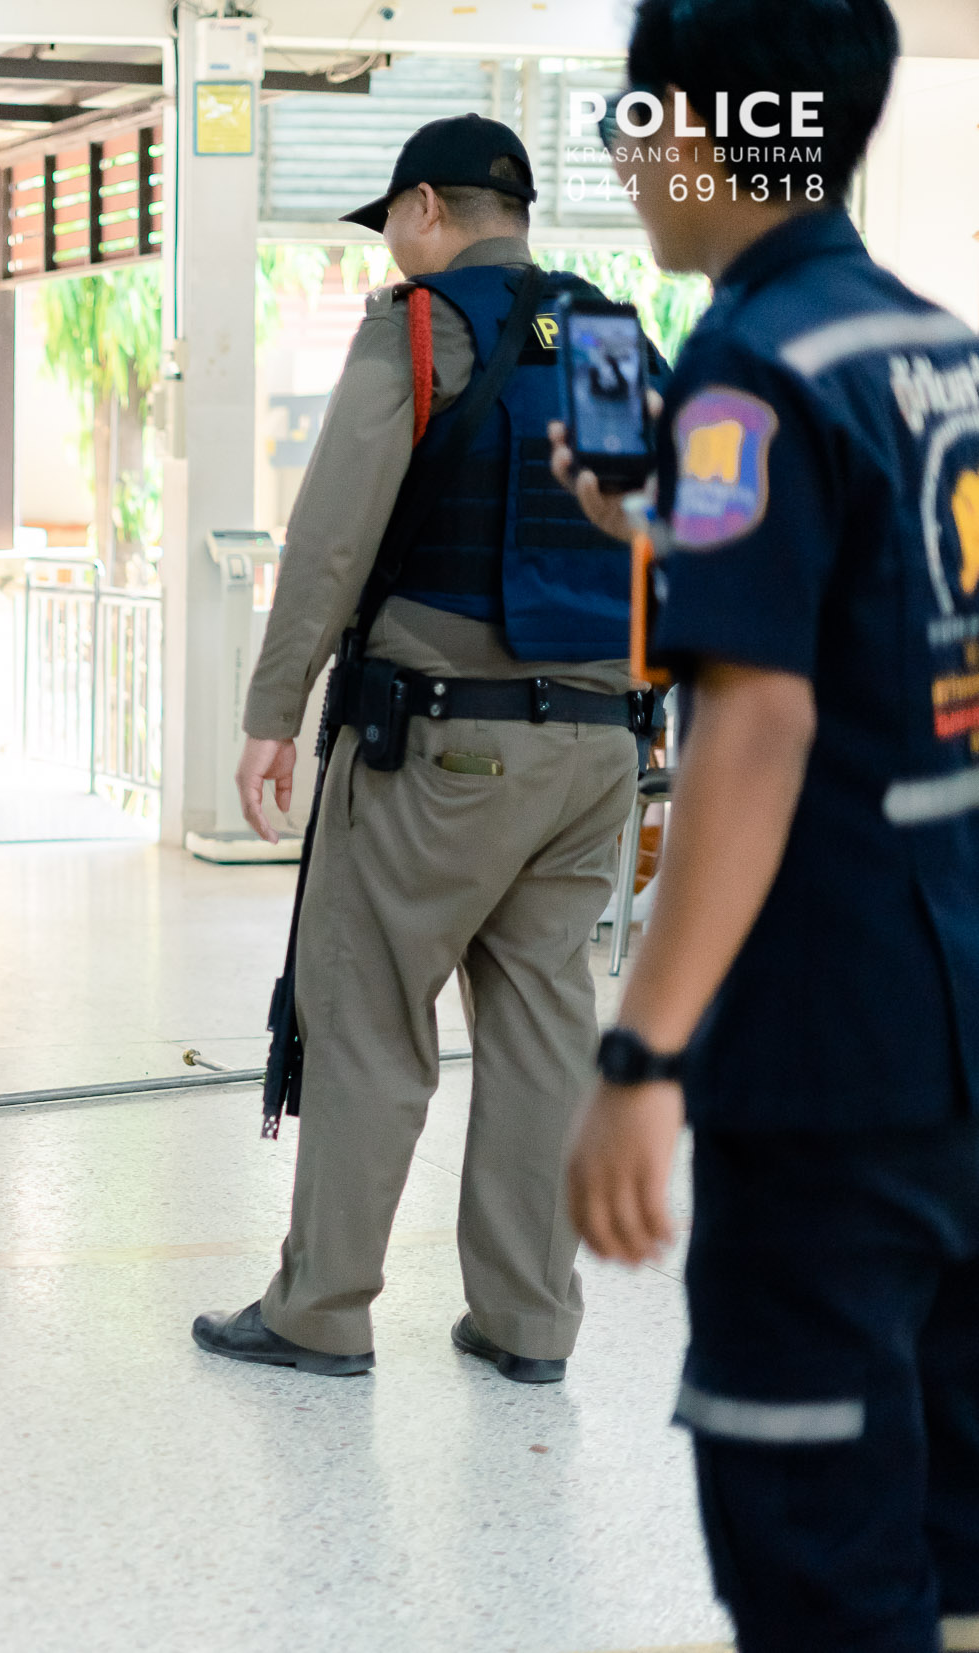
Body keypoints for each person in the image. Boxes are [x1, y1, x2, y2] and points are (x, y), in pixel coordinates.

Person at [556, 4, 979, 1646]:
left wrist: (639, 1057)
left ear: (702, 126)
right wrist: (655, 521)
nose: (627, 150)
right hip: (955, 1034)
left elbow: (759, 715)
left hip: (825, 1059)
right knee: (949, 1523)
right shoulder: (925, 348)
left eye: (631, 111)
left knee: (814, 1531)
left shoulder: (742, 363)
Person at [190, 112, 662, 1383]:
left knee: (369, 1013)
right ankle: (526, 1322)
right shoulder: (612, 338)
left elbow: (331, 533)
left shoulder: (419, 323)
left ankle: (320, 1309)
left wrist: (270, 711)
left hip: (444, 749)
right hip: (596, 754)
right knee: (540, 1030)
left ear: (424, 212)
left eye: (395, 220)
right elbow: (666, 537)